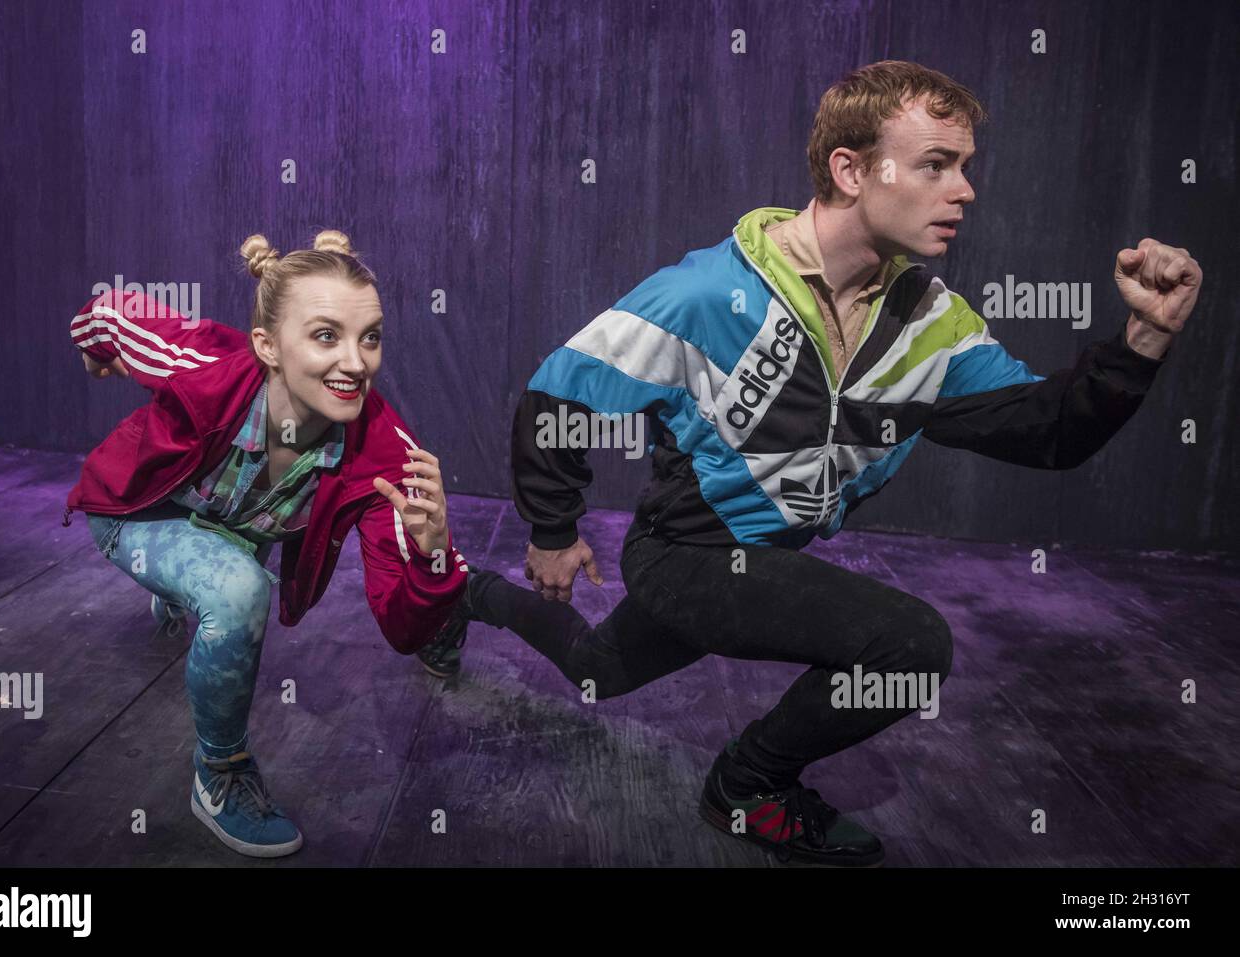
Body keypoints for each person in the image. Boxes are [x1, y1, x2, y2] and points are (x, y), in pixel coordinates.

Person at [418, 61, 1201, 866]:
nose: (965, 189)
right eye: (937, 164)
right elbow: (558, 393)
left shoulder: (931, 324)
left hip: (766, 562)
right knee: (911, 647)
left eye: (965, 166)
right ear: (850, 169)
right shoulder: (708, 292)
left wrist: (1140, 344)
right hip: (684, 555)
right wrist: (552, 527)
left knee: (595, 669)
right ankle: (747, 786)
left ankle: (462, 594)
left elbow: (1051, 431)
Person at [63, 230, 469, 858]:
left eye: (371, 337)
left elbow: (404, 630)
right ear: (268, 346)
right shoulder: (205, 363)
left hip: (233, 533)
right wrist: (94, 354)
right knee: (237, 589)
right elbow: (114, 311)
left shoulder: (386, 454)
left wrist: (433, 551)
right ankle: (220, 775)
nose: (357, 363)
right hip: (137, 514)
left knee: (226, 580)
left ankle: (187, 592)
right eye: (326, 336)